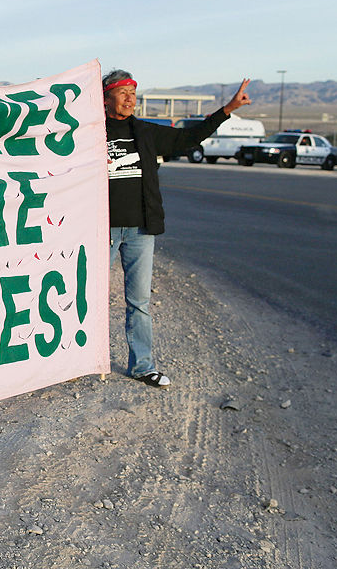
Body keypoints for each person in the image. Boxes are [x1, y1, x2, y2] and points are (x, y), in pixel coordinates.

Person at [103, 70, 251, 388]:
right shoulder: (88, 134)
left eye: (133, 92)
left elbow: (188, 138)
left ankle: (142, 366)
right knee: (86, 298)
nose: (130, 98)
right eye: (122, 92)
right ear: (106, 98)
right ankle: (79, 360)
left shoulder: (144, 132)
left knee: (139, 302)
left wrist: (226, 110)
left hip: (140, 230)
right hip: (99, 230)